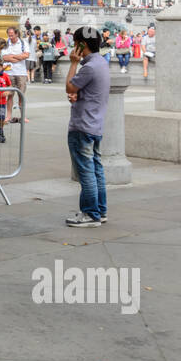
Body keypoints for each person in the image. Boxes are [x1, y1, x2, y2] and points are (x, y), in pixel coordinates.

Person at [64, 26, 110, 227]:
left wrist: (73, 63)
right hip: (95, 124)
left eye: (76, 44)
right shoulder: (101, 63)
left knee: (86, 171)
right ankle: (100, 210)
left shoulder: (88, 67)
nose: (74, 48)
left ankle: (90, 214)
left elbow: (70, 86)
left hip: (83, 125)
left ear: (81, 45)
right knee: (96, 168)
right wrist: (78, 95)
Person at [1, 28, 31, 124]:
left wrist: (12, 56)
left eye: (12, 35)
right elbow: (4, 57)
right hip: (9, 73)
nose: (10, 37)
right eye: (9, 35)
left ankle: (23, 116)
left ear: (17, 34)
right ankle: (8, 116)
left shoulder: (23, 43)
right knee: (9, 95)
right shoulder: (6, 44)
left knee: (21, 95)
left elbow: (26, 55)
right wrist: (18, 56)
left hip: (21, 73)